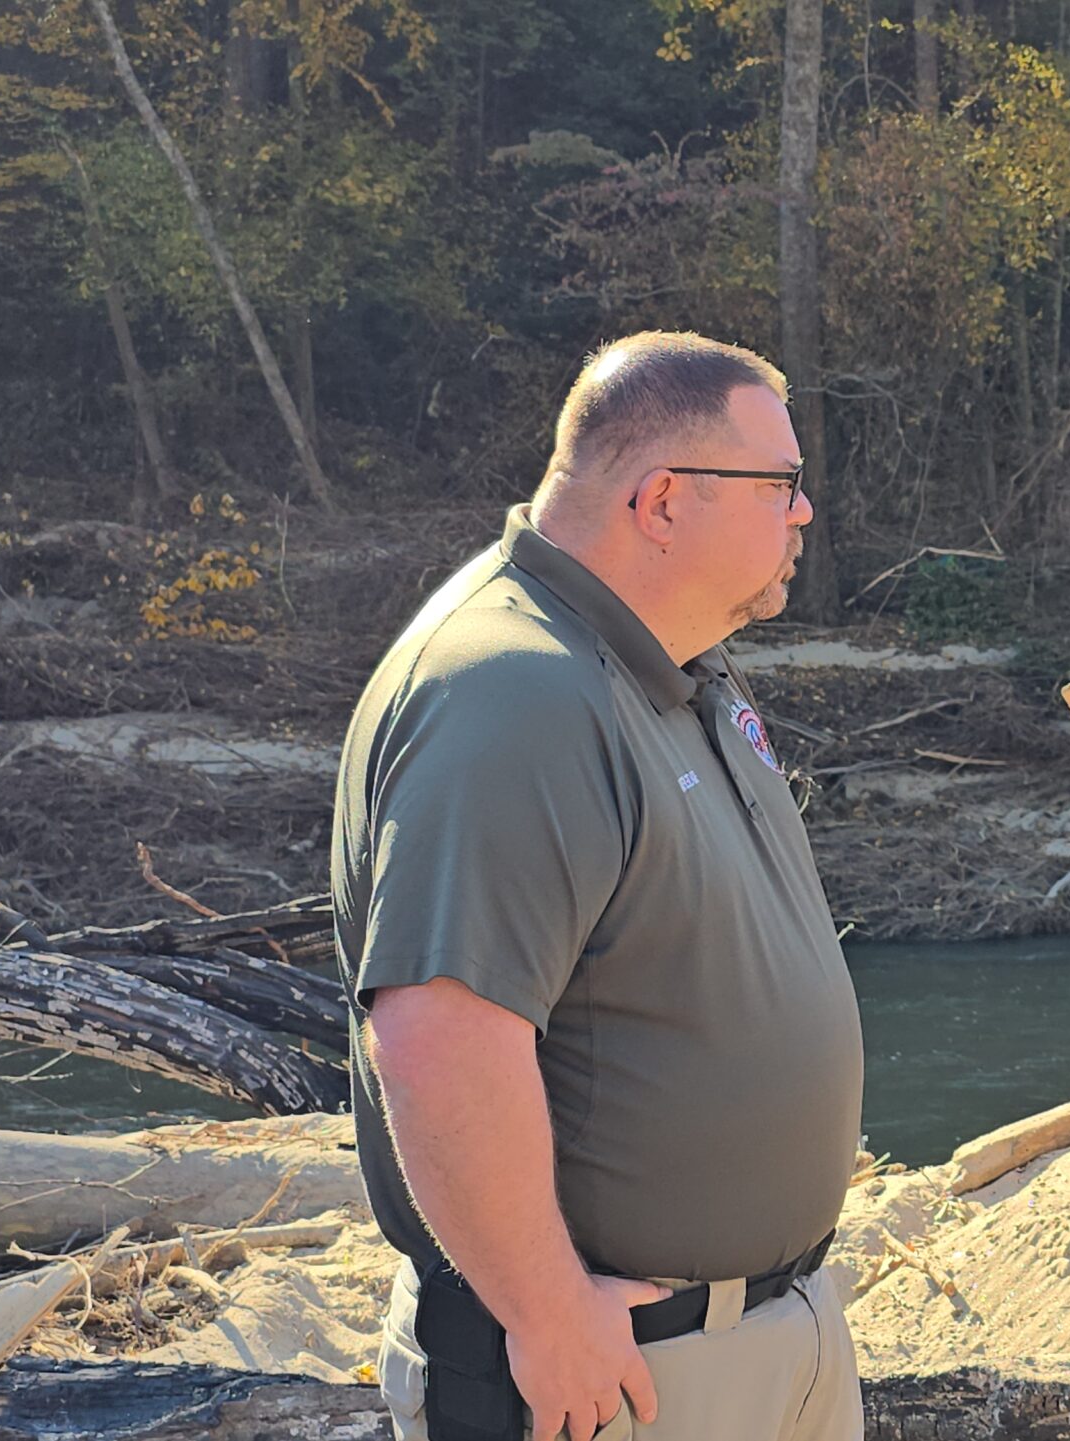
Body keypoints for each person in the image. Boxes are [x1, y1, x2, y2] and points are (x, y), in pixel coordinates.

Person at [332, 331, 864, 1441]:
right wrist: (546, 1315)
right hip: (617, 1377)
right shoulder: (513, 692)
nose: (804, 513)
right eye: (781, 484)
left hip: (750, 1346)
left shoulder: (663, 662)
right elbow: (438, 1035)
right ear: (663, 499)